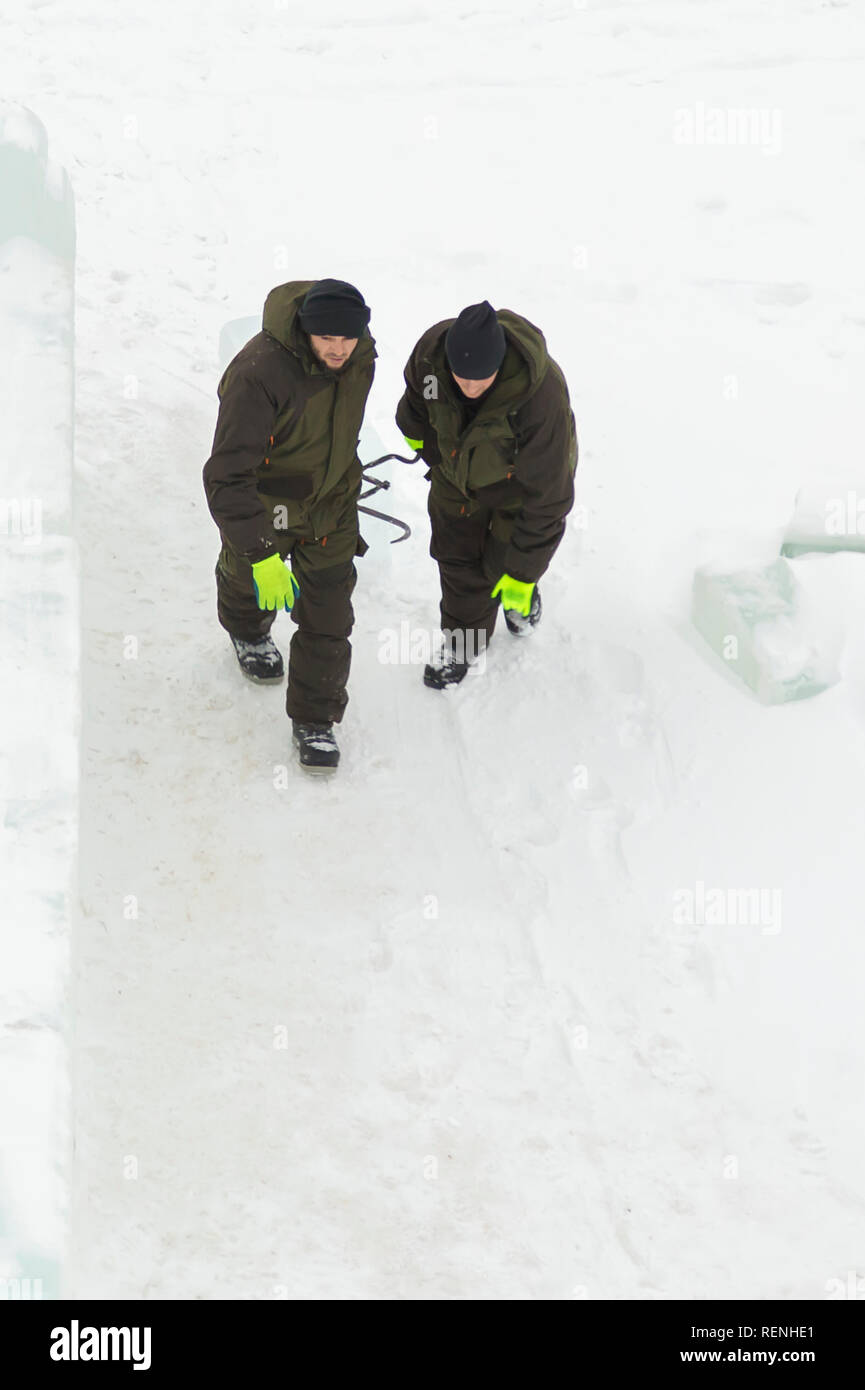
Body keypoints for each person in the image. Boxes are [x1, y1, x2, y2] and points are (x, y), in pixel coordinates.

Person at [203, 278, 375, 771]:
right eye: (327, 338)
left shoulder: (360, 358)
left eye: (348, 338)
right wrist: (259, 554)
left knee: (329, 613)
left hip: (331, 505)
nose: (338, 349)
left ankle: (315, 720)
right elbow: (226, 475)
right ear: (305, 330)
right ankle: (248, 630)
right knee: (247, 581)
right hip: (266, 503)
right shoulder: (258, 374)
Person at [395, 300, 578, 687]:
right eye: (462, 378)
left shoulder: (540, 396)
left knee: (505, 562)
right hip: (455, 476)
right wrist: (435, 456)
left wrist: (523, 575)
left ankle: (521, 598)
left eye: (482, 378)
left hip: (520, 486)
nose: (471, 387)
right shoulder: (431, 357)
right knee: (458, 563)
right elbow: (414, 406)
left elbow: (549, 499)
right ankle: (464, 643)